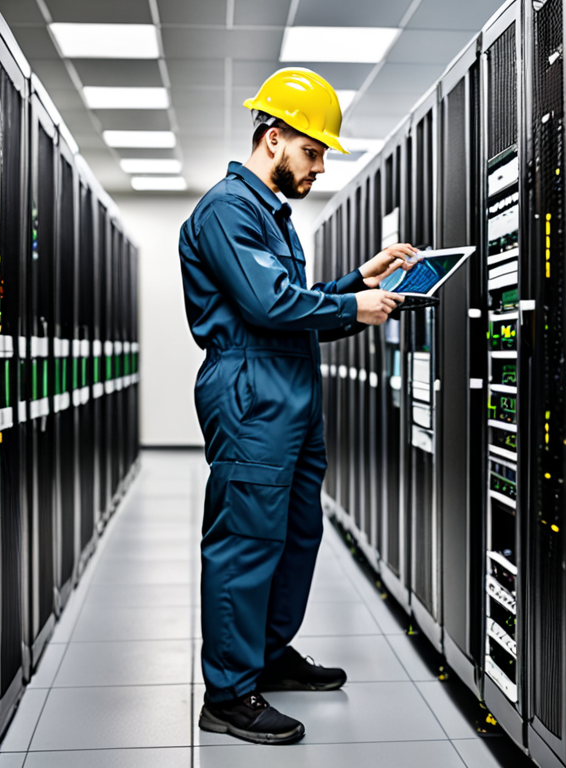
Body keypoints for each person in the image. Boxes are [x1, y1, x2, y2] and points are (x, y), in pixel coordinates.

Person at [178, 67, 418, 745]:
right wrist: (350, 305)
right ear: (274, 138)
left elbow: (291, 304)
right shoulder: (229, 209)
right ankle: (227, 693)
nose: (318, 169)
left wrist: (358, 282)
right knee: (247, 541)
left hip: (289, 391)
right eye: (312, 152)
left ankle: (267, 656)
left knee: (294, 535)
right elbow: (267, 306)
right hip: (253, 394)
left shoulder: (268, 215)